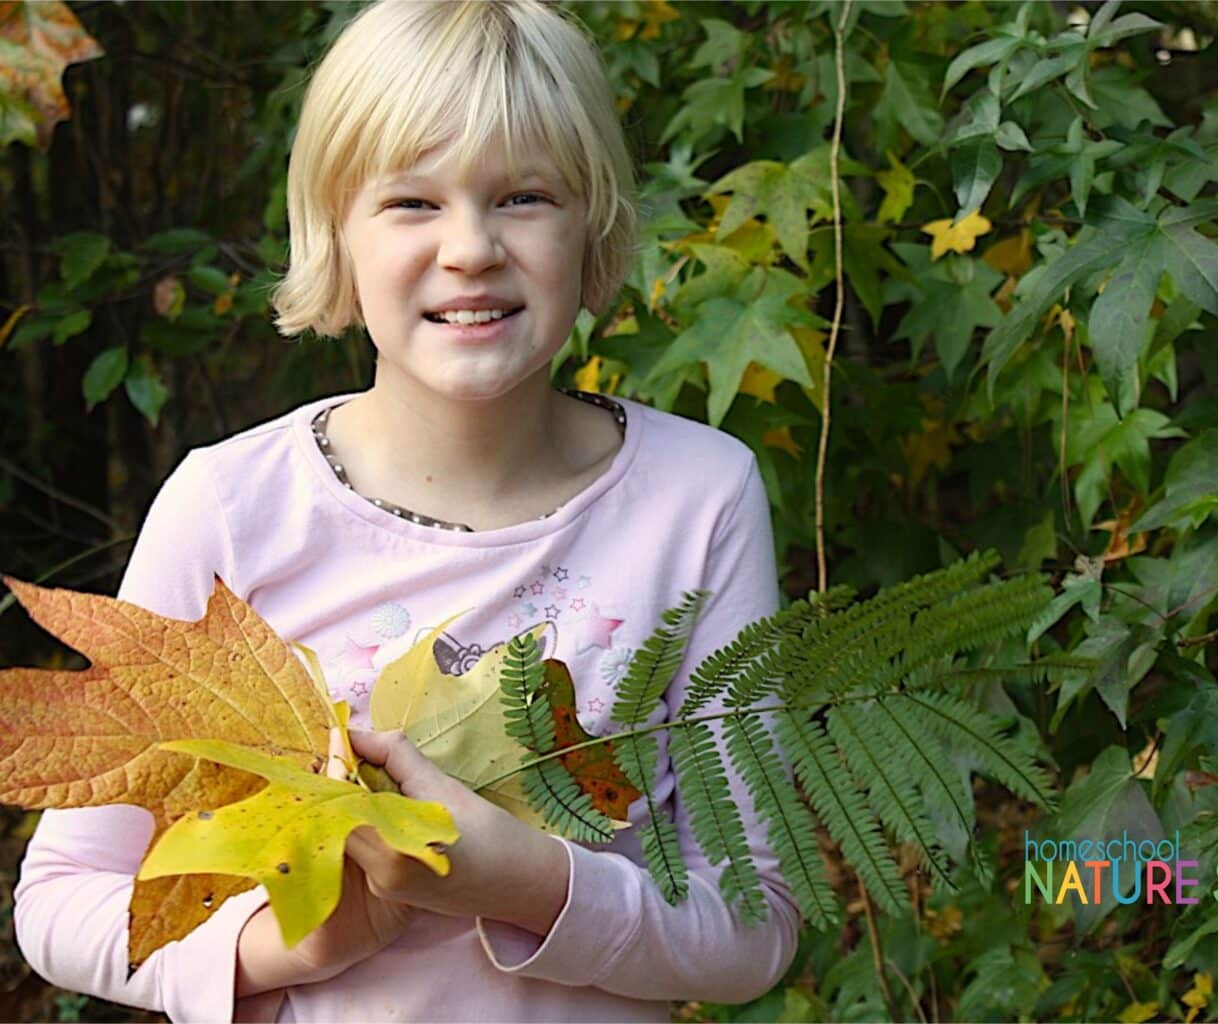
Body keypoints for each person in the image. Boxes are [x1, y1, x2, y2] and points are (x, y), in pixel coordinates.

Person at [12, 1, 800, 1020]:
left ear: (593, 218)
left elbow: (755, 921)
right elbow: (64, 899)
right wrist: (283, 947)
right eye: (412, 203)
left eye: (523, 196)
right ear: (335, 232)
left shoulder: (700, 499)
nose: (470, 248)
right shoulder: (231, 509)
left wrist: (524, 882)